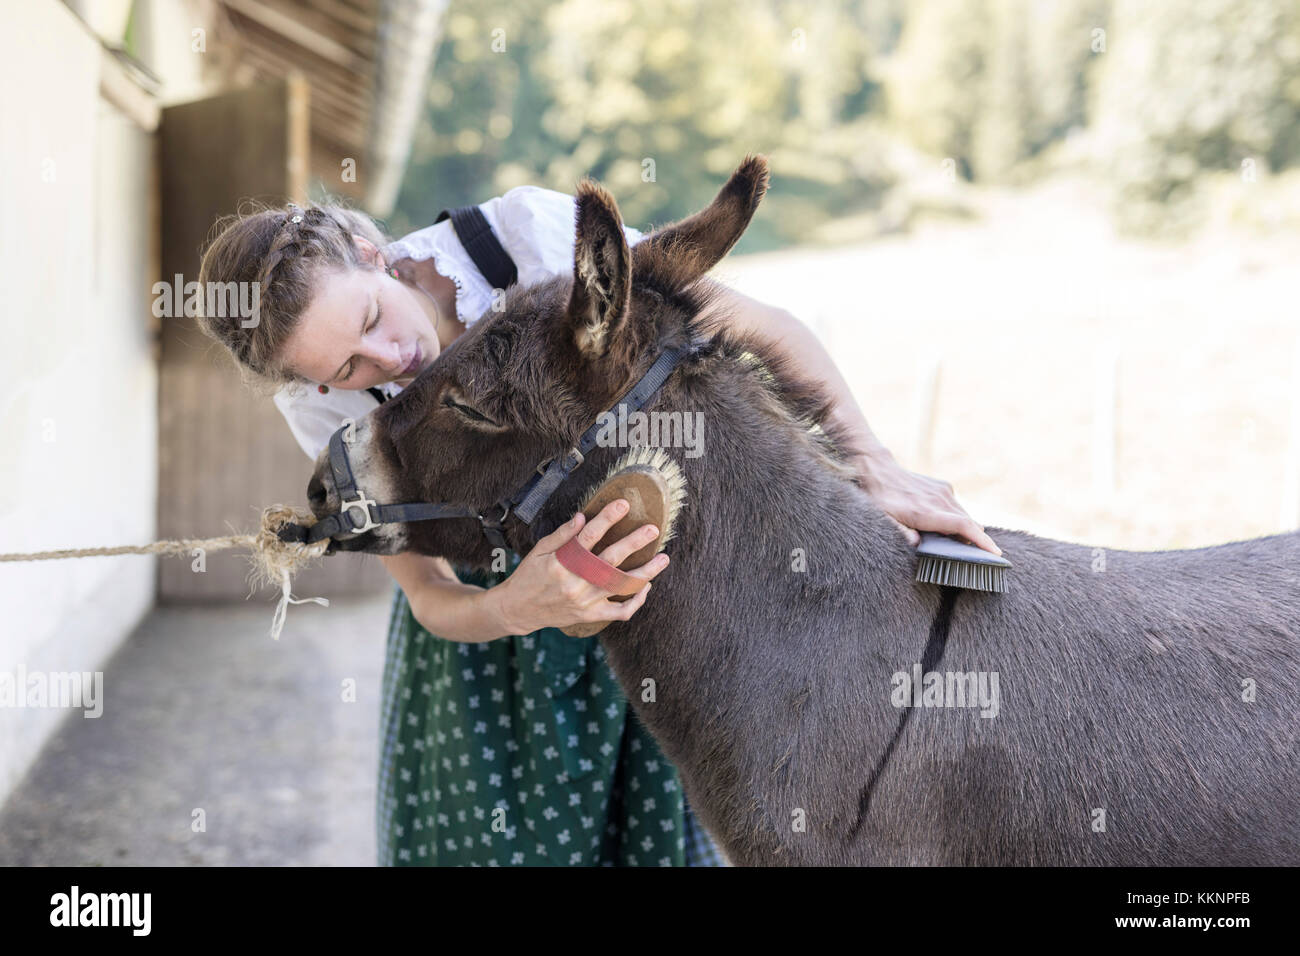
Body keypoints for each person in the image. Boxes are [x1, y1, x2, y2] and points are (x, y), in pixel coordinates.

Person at [195, 184, 1001, 866]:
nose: (389, 360)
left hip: (641, 615)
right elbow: (430, 594)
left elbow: (766, 328)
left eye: (371, 321)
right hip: (487, 652)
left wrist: (876, 468)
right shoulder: (317, 402)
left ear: (372, 253)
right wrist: (516, 606)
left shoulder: (526, 237)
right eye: (348, 370)